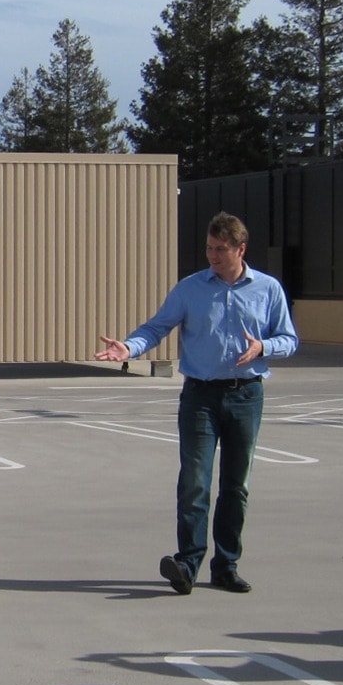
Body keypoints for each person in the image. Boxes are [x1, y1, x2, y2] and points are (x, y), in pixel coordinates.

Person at [95, 212, 298, 595]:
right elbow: (157, 327)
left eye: (221, 249)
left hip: (246, 394)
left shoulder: (268, 289)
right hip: (200, 396)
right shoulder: (190, 289)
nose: (213, 256)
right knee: (194, 481)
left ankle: (226, 566)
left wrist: (264, 346)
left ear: (241, 249)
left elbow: (289, 338)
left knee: (236, 486)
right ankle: (187, 563)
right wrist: (129, 347)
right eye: (209, 248)